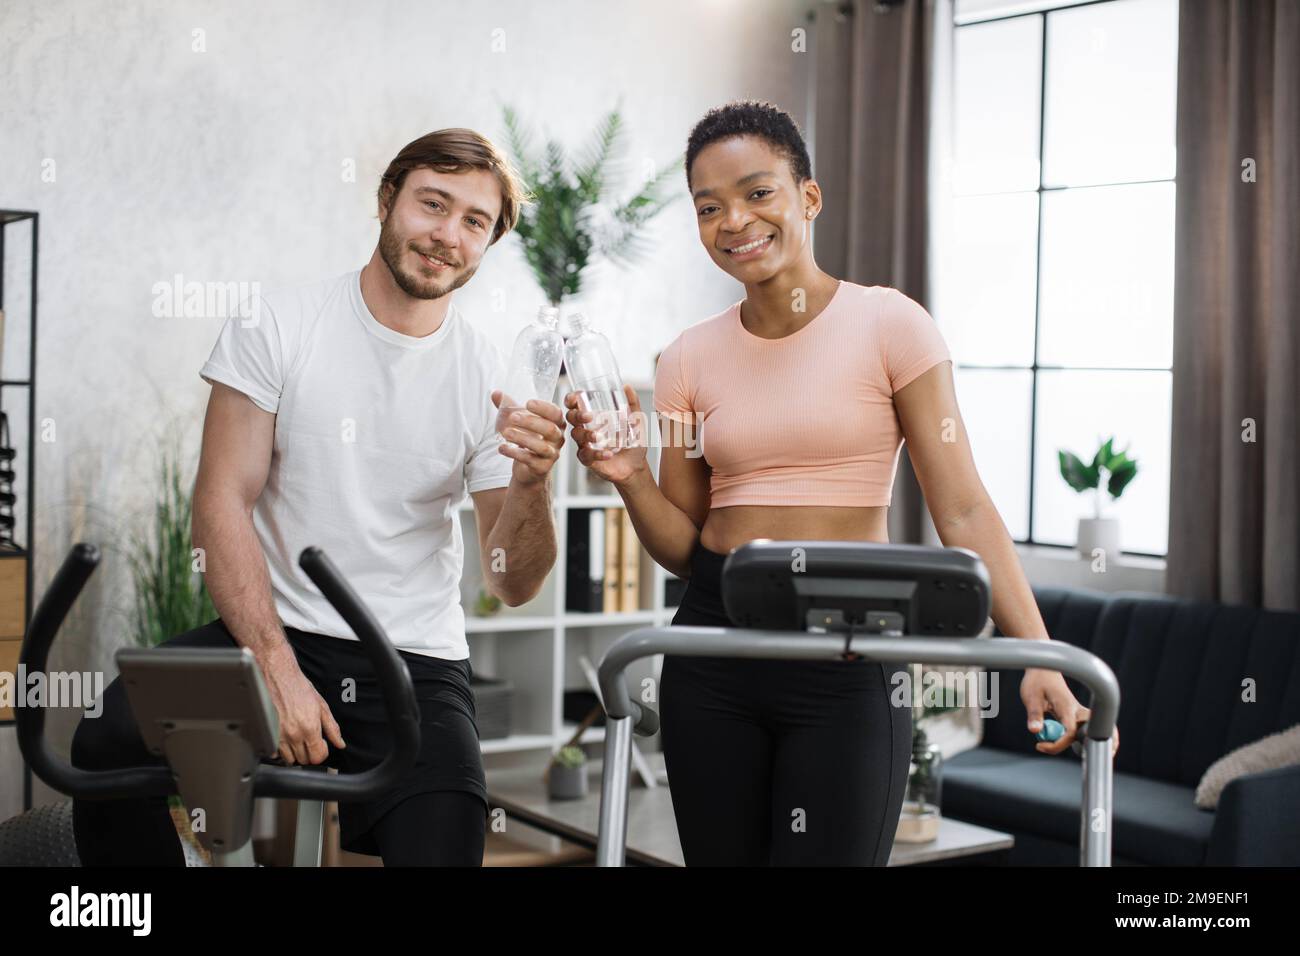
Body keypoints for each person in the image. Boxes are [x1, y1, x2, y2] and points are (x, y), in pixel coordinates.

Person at [565, 100, 1120, 866]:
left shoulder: (892, 325)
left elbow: (961, 506)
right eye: (708, 207)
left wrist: (1036, 656)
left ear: (809, 198)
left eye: (758, 193)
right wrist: (627, 475)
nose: (734, 220)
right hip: (715, 645)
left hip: (851, 649)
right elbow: (683, 550)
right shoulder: (686, 358)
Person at [71, 129, 567, 866]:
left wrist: (532, 485)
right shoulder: (277, 323)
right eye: (433, 204)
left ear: (489, 244)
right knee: (103, 742)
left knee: (448, 838)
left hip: (413, 660)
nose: (447, 235)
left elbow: (512, 581)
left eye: (474, 222)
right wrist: (276, 669)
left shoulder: (489, 376)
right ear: (386, 201)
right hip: (276, 634)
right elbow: (221, 503)